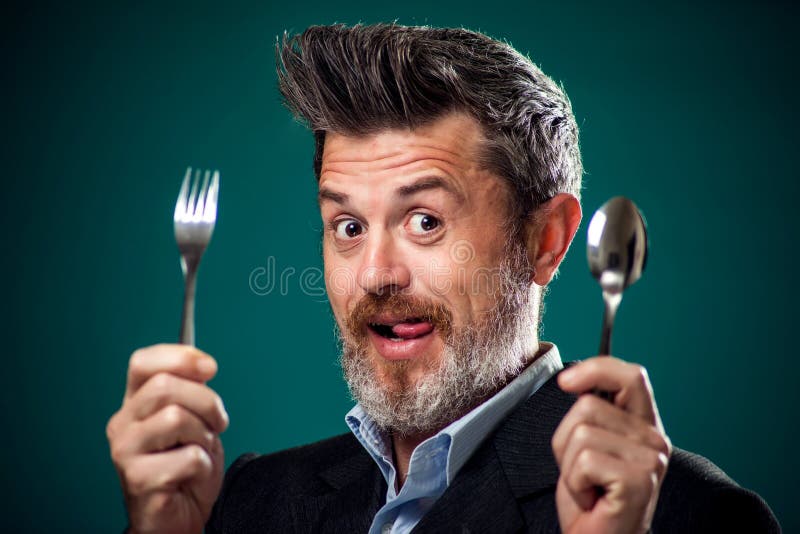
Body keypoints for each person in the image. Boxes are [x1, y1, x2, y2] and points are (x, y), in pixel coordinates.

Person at [106, 24, 780, 533]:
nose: (375, 275)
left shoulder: (690, 516)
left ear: (545, 241)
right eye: (348, 227)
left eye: (425, 220)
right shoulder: (243, 503)